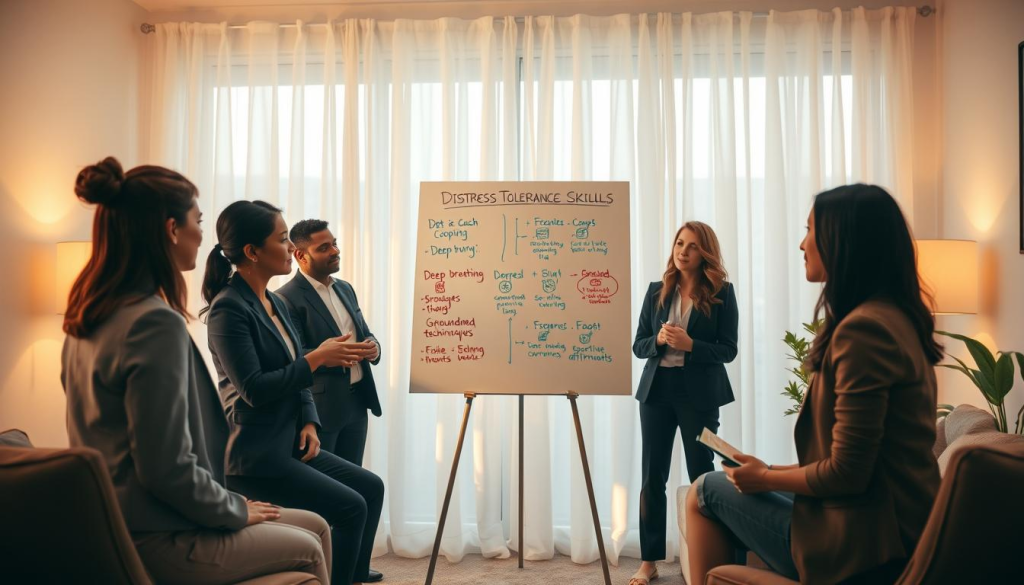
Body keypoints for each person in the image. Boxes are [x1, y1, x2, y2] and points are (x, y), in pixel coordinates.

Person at [61, 157, 331, 584]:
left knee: (314, 524)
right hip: (160, 532)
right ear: (171, 229)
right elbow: (165, 469)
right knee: (309, 543)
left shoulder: (86, 320)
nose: (203, 235)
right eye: (197, 221)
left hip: (111, 523)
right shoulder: (153, 322)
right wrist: (232, 508)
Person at [685, 184, 943, 584]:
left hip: (866, 544)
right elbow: (860, 462)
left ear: (843, 241)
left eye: (810, 230)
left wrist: (766, 478)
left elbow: (847, 473)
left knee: (704, 490)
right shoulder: (895, 317)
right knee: (728, 481)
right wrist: (767, 469)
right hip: (887, 523)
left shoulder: (864, 332)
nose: (802, 244)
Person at [201, 200, 384, 585]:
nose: (290, 249)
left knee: (371, 487)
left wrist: (310, 422)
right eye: (283, 240)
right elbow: (253, 388)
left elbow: (293, 372)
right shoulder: (229, 309)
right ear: (252, 252)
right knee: (351, 507)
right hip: (255, 452)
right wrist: (318, 358)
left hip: (292, 439)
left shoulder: (270, 301)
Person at [629, 221, 739, 585]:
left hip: (700, 397)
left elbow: (729, 350)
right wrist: (659, 340)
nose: (683, 251)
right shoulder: (656, 291)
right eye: (679, 243)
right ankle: (649, 562)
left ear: (704, 252)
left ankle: (709, 558)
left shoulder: (723, 294)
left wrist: (691, 345)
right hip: (657, 393)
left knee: (701, 475)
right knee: (652, 478)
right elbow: (639, 345)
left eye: (692, 246)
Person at [276, 219, 382, 465]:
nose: (335, 251)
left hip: (358, 403)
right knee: (325, 491)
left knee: (356, 486)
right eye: (324, 248)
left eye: (334, 244)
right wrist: (329, 355)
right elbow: (292, 357)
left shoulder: (345, 288)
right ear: (301, 256)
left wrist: (373, 347)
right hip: (321, 409)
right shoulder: (285, 298)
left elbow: (365, 332)